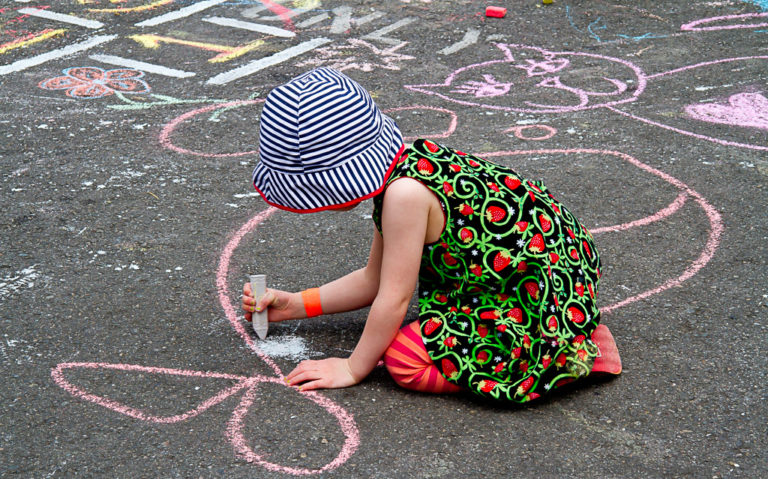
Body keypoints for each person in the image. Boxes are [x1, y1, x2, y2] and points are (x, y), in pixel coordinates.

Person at [241, 68, 621, 403]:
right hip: (547, 263)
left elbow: (395, 298)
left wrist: (353, 368)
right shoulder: (403, 170)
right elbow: (373, 280)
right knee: (415, 336)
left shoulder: (404, 196)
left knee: (404, 360)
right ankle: (565, 336)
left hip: (535, 291)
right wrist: (297, 305)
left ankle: (565, 356)